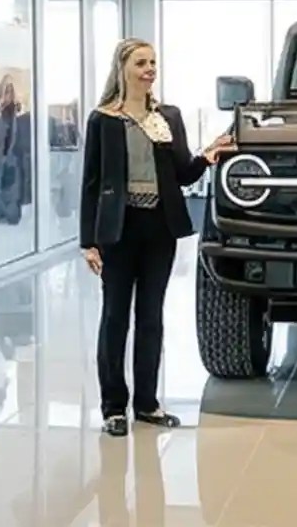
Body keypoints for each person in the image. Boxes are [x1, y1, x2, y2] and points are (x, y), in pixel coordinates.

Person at [80, 37, 235, 437]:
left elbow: (182, 174)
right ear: (123, 69)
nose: (150, 69)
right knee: (115, 318)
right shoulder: (104, 119)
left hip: (159, 228)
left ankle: (146, 404)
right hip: (117, 229)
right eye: (141, 63)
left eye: (153, 62)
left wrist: (207, 155)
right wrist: (87, 240)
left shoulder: (168, 116)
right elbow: (91, 184)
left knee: (151, 318)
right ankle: (114, 407)